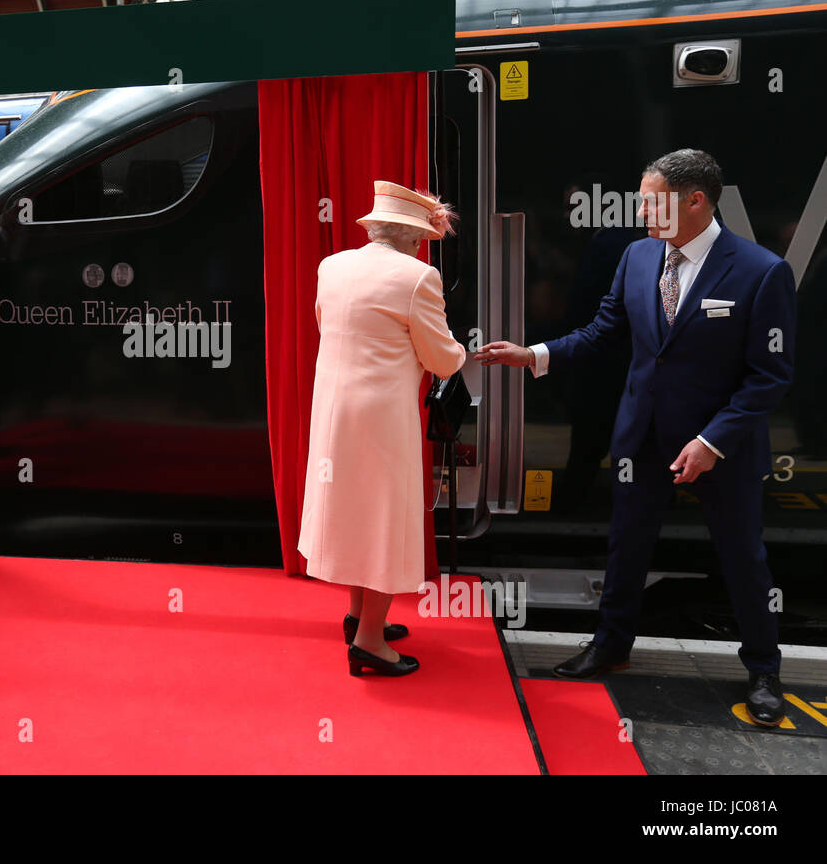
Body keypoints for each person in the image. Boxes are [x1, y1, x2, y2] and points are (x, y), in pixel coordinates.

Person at [477, 148, 795, 726]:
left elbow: (768, 377)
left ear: (695, 201)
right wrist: (535, 354)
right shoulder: (638, 256)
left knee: (743, 558)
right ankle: (611, 645)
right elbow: (604, 332)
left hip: (722, 447)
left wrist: (712, 441)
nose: (641, 209)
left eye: (653, 200)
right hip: (643, 436)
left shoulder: (761, 271)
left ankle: (764, 671)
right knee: (626, 545)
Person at [298, 180, 466, 678]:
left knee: (355, 514)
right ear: (416, 237)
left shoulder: (334, 266)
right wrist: (461, 351)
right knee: (384, 520)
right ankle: (370, 641)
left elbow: (325, 324)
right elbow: (442, 359)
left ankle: (358, 617)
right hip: (383, 419)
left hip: (332, 410)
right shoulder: (418, 277)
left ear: (374, 228)